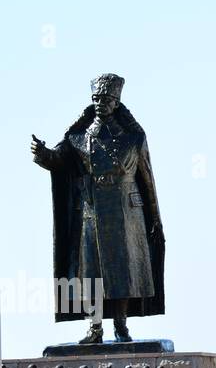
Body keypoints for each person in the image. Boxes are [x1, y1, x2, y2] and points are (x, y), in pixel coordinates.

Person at [31, 74, 165, 343]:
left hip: (126, 213)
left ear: (116, 102)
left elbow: (147, 178)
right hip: (91, 213)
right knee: (90, 272)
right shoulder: (79, 137)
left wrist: (154, 216)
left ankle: (121, 326)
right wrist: (42, 154)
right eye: (96, 99)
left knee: (123, 272)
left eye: (106, 99)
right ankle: (94, 329)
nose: (100, 103)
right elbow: (59, 160)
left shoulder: (134, 138)